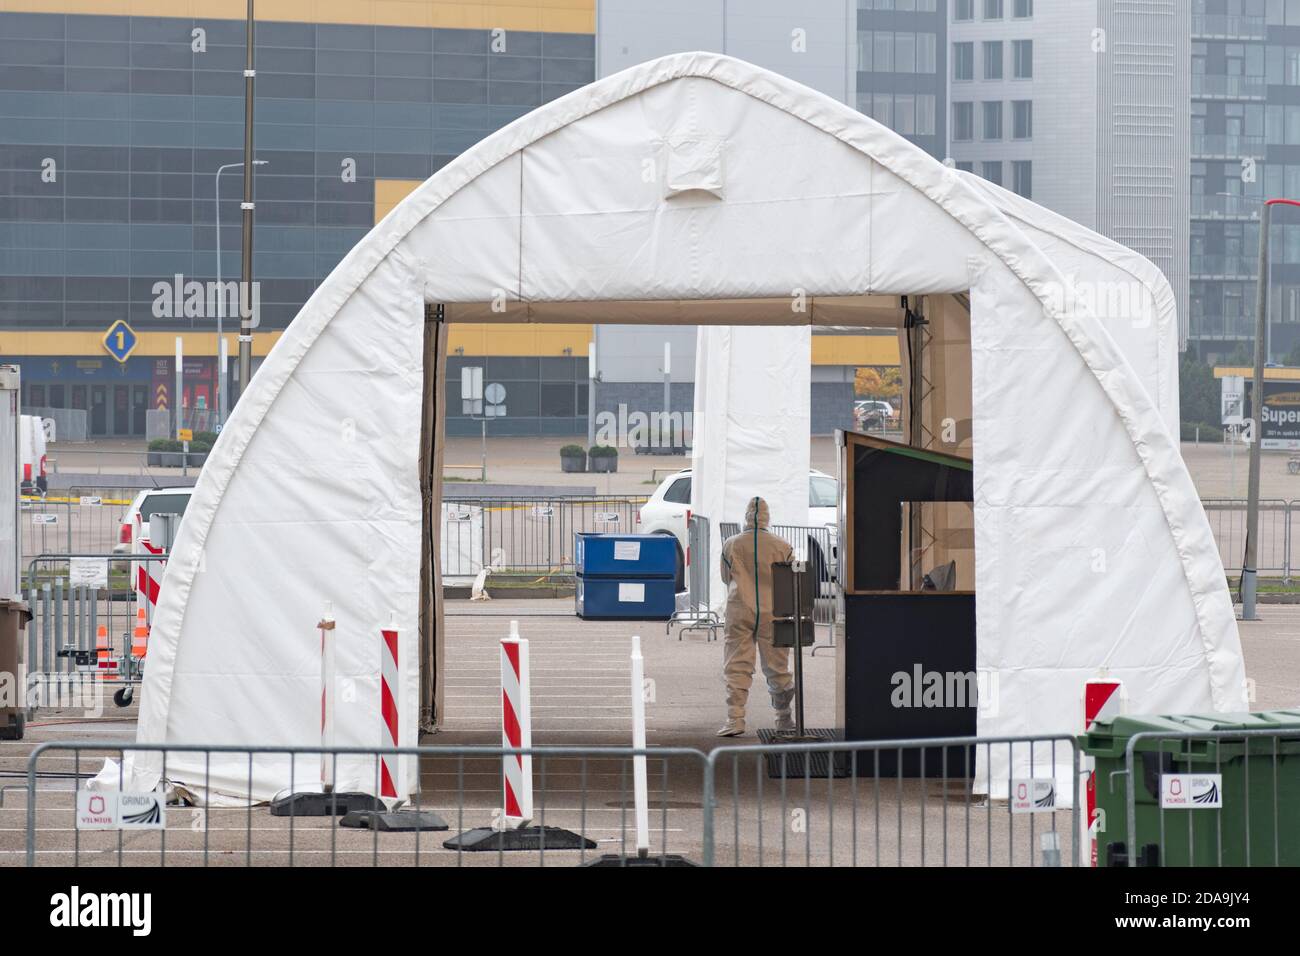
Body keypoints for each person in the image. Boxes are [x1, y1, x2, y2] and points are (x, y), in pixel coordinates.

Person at [716, 496, 796, 737]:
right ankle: (784, 718)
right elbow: (789, 581)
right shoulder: (783, 546)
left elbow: (725, 577)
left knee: (736, 665)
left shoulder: (731, 544)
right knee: (778, 667)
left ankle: (735, 719)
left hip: (739, 608)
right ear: (767, 518)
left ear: (747, 517)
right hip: (773, 611)